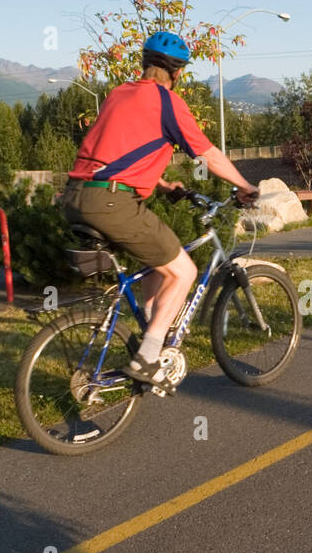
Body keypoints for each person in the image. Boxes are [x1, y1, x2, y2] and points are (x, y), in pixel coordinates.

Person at [60, 31, 259, 390]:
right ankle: (148, 358)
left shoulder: (119, 94)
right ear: (178, 73)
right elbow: (207, 154)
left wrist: (164, 185)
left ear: (144, 63)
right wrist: (244, 186)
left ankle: (151, 328)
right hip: (111, 203)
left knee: (158, 262)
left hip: (76, 196)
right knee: (184, 271)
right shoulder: (168, 102)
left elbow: (118, 152)